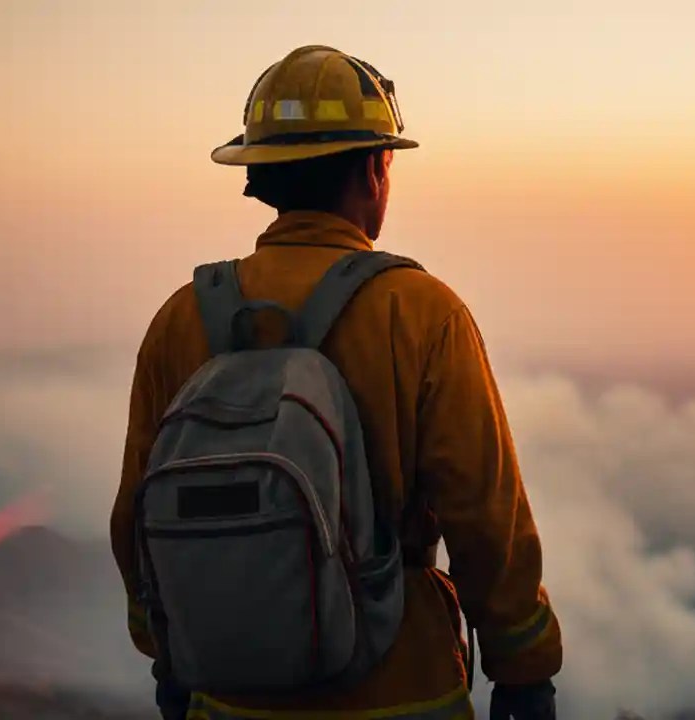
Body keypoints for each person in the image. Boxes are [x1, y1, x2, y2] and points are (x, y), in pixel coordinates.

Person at [110, 45, 561, 720]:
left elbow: (135, 517)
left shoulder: (182, 319)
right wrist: (524, 668)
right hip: (402, 692)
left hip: (227, 697)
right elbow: (486, 517)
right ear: (375, 169)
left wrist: (167, 649)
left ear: (260, 176)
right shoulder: (422, 312)